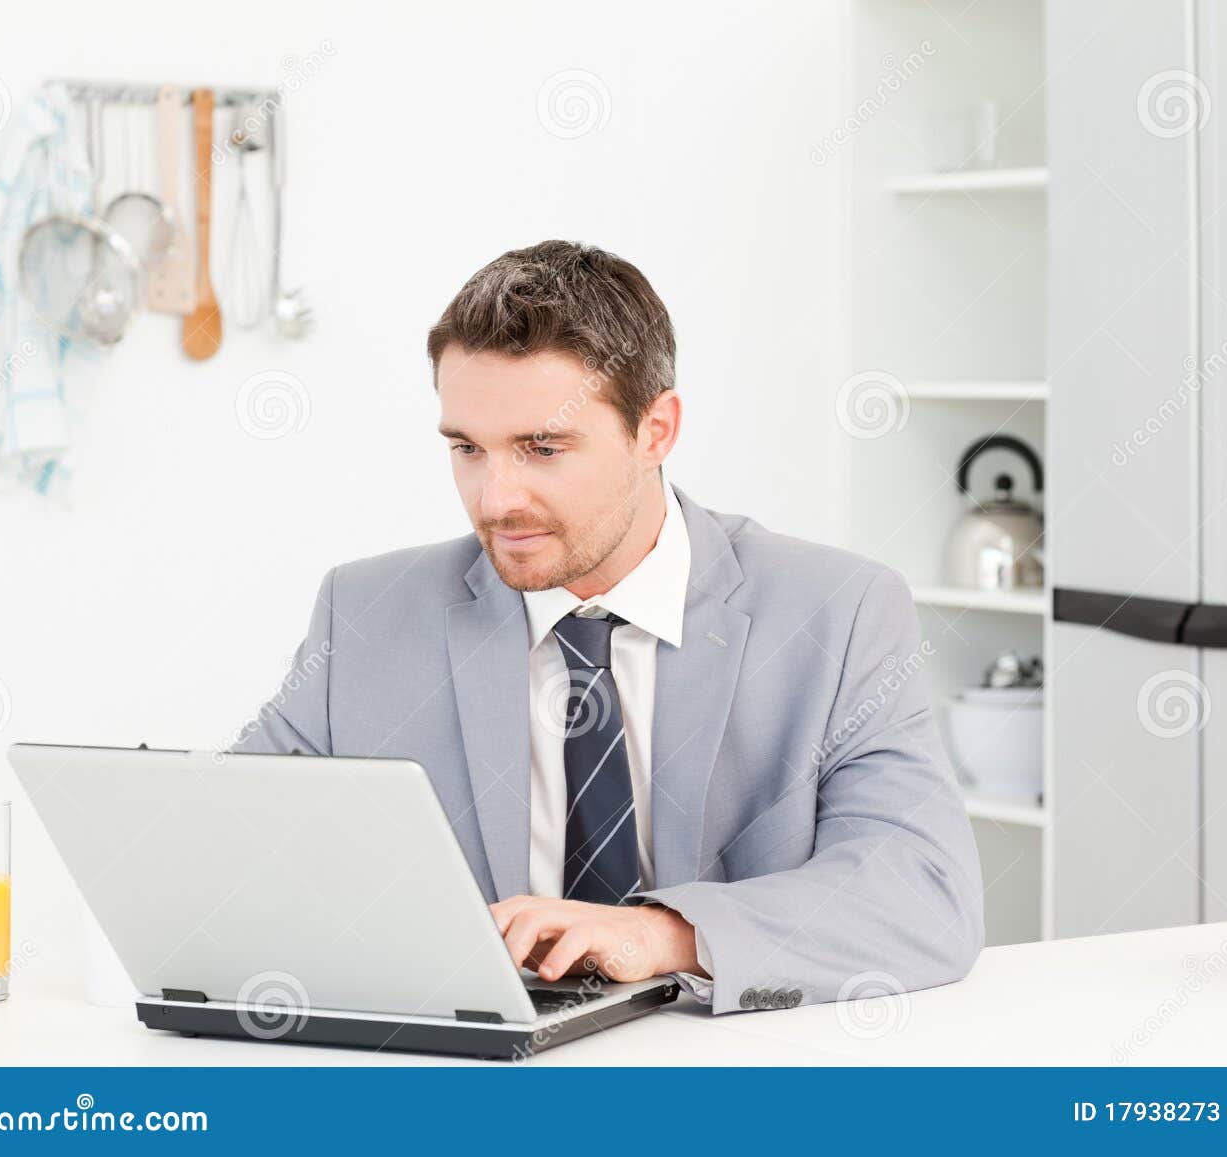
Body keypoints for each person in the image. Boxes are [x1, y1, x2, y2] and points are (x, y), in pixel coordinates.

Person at [233, 240, 984, 1013]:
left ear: (655, 430)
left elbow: (925, 896)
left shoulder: (838, 614)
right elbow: (225, 848)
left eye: (542, 448)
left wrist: (668, 936)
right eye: (467, 448)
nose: (496, 500)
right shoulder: (364, 614)